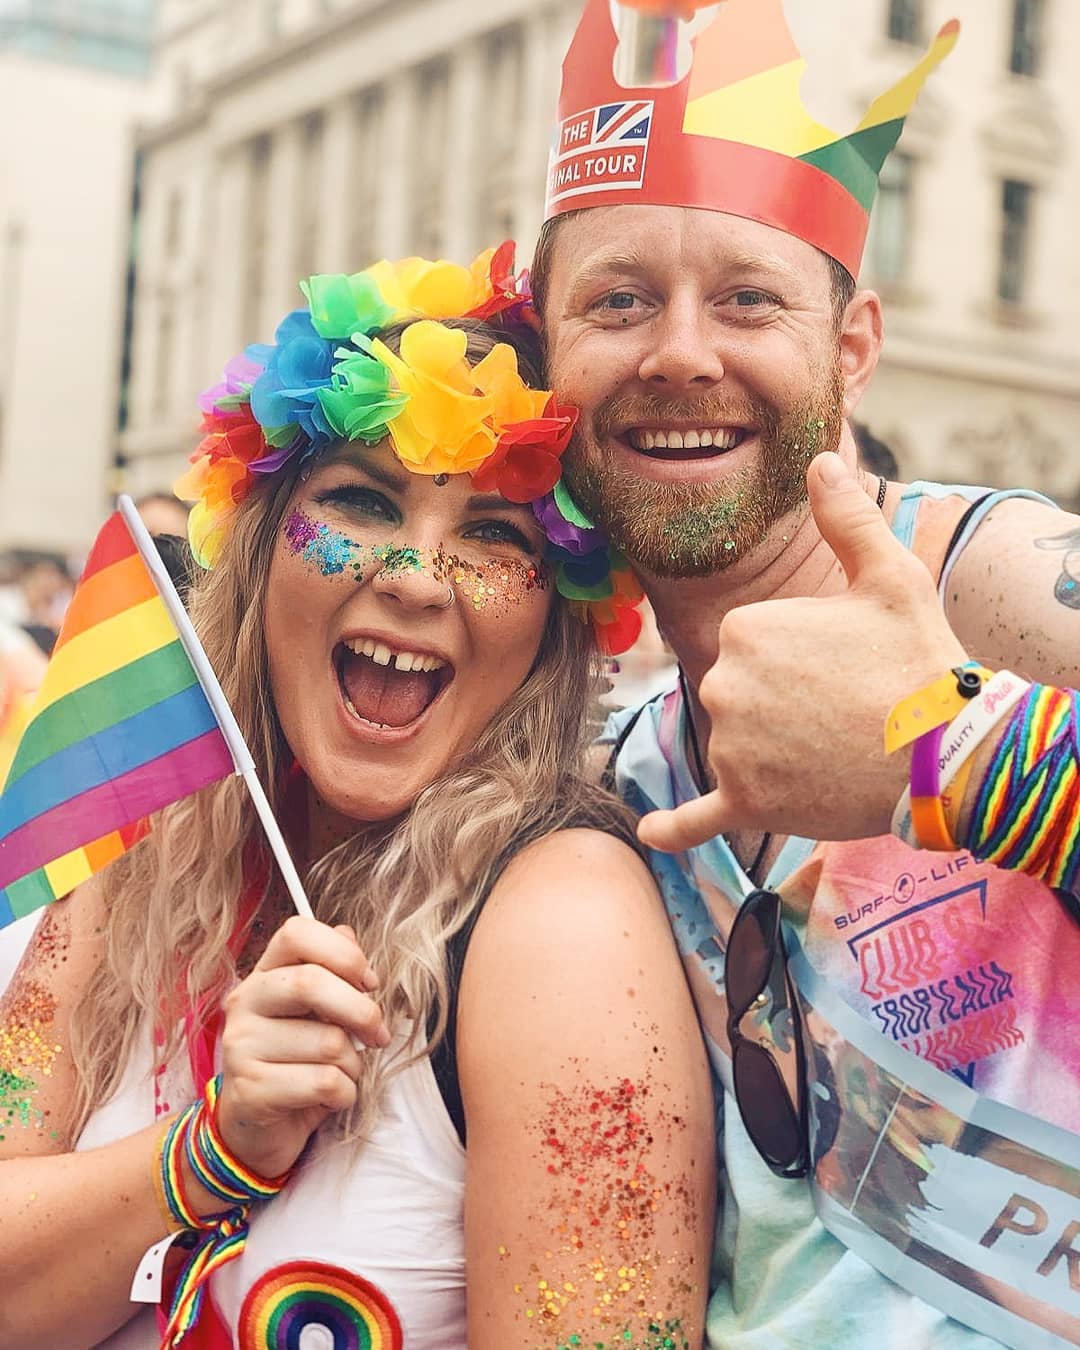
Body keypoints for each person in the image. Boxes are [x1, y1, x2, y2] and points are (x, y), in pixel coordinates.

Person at [0, 250, 715, 1348]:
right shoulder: (141, 841)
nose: (417, 579)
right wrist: (214, 1153)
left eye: (494, 534)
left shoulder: (565, 921)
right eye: (364, 502)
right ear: (260, 548)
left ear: (555, 619)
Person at [531, 3, 1079, 1348]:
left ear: (852, 349)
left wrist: (958, 758)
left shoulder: (995, 581)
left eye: (748, 298)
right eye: (617, 300)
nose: (679, 352)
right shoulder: (633, 777)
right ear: (549, 360)